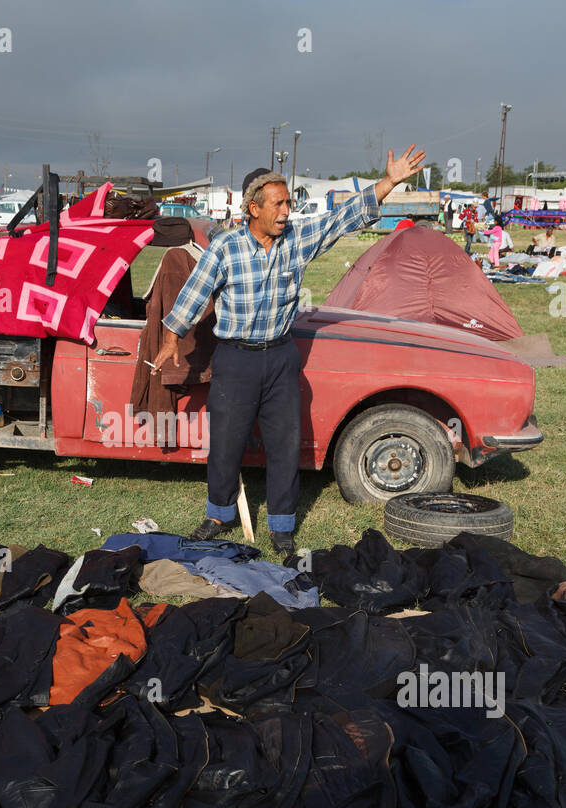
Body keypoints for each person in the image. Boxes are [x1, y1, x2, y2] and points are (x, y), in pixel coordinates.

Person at [152, 145, 427, 555]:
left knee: (284, 444)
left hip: (280, 358)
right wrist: (172, 337)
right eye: (278, 204)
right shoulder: (226, 248)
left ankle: (282, 525)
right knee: (226, 443)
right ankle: (218, 514)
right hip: (235, 359)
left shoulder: (296, 242)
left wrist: (388, 182)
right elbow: (195, 293)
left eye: (289, 203)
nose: (286, 212)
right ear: (253, 209)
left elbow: (341, 218)